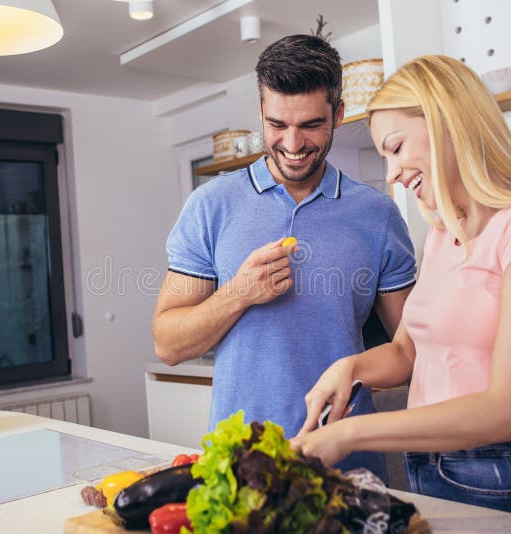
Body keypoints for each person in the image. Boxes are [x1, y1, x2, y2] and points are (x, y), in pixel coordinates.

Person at [290, 54, 511, 525]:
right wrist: (351, 367)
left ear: (446, 120)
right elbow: (408, 352)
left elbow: (508, 410)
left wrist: (349, 435)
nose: (391, 174)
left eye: (396, 147)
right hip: (428, 474)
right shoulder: (445, 235)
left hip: (500, 479)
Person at [152, 33, 417, 477]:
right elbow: (168, 343)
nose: (293, 144)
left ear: (339, 114)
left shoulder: (377, 214)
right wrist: (237, 294)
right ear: (261, 113)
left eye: (311, 125)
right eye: (277, 125)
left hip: (346, 459)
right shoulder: (211, 205)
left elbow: (413, 352)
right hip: (239, 460)